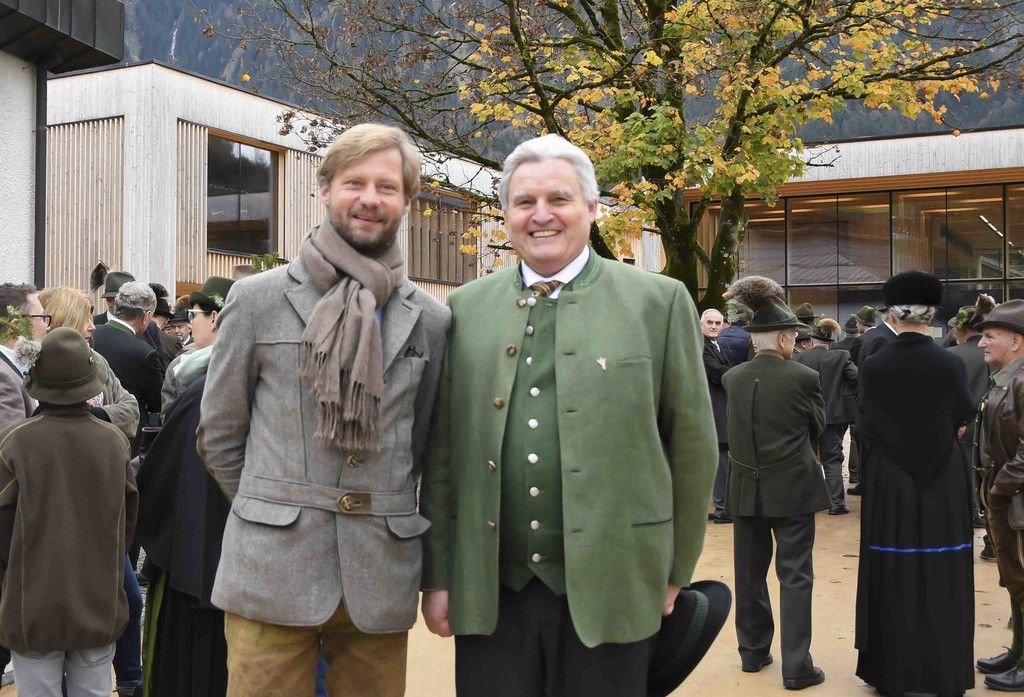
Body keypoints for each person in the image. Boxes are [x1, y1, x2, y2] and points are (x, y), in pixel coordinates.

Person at [419, 134, 718, 697]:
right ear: (505, 215)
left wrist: (675, 570)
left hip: (619, 577)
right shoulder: (464, 307)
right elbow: (442, 456)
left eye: (559, 198)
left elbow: (694, 447)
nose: (541, 215)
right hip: (492, 585)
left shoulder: (661, 301)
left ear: (592, 207)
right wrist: (438, 577)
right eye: (524, 202)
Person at [198, 123, 450, 697]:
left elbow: (433, 452)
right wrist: (271, 508)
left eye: (387, 187)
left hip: (379, 571)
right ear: (325, 190)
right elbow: (219, 433)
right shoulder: (259, 298)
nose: (369, 198)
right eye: (354, 182)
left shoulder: (430, 321)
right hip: (271, 565)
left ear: (407, 201)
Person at [854, 270, 975, 697]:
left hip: (891, 482)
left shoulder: (874, 364)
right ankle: (944, 672)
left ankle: (891, 674)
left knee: (892, 570)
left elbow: (865, 422)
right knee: (943, 572)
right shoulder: (950, 361)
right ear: (932, 314)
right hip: (942, 481)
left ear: (893, 311)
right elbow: (965, 411)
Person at [0, 328, 137, 697]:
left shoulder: (15, 444)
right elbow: (126, 529)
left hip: (32, 605)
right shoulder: (114, 443)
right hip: (97, 601)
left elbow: (3, 531)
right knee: (93, 692)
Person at [721, 276, 828, 691]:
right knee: (796, 576)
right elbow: (817, 427)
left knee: (748, 574)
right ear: (784, 338)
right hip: (794, 488)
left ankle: (752, 653)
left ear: (754, 340)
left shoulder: (733, 379)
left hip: (745, 488)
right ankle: (797, 666)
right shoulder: (803, 377)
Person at [137, 277, 235, 697]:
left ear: (218, 318)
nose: (189, 322)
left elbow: (156, 480)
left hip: (191, 562)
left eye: (194, 314)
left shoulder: (202, 390)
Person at [0, 283, 49, 680]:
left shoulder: (15, 370)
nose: (45, 326)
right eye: (40, 317)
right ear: (15, 322)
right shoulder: (3, 375)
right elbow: (13, 454)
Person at [974, 299, 1024, 689]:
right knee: (1013, 578)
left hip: (1016, 497)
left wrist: (998, 483)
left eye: (990, 336)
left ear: (1017, 342)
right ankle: (1019, 651)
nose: (981, 343)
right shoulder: (1006, 378)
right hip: (1008, 498)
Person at [38, 287, 140, 441]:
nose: (92, 326)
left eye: (91, 318)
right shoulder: (37, 364)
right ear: (62, 320)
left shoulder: (96, 359)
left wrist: (100, 415)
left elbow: (131, 407)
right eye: (83, 319)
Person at [794, 318, 858, 515]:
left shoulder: (799, 359)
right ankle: (837, 504)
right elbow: (856, 378)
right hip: (833, 417)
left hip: (806, 417)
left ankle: (808, 503)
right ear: (830, 342)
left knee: (808, 459)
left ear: (812, 340)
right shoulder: (841, 356)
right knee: (833, 459)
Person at [92, 281, 162, 455]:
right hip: (128, 434)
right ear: (146, 316)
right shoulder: (144, 353)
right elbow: (156, 402)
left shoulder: (91, 334)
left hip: (91, 426)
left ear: (116, 308)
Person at [948, 295, 995, 533]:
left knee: (965, 480)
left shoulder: (953, 355)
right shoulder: (998, 353)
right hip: (993, 425)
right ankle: (991, 535)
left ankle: (970, 518)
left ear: (961, 328)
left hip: (963, 427)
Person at [161, 277, 233, 415]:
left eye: (193, 315)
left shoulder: (180, 366)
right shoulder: (253, 360)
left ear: (213, 318)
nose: (191, 323)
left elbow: (171, 425)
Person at [95, 271, 168, 373]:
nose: (113, 303)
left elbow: (160, 366)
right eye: (109, 299)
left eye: (117, 298)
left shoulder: (150, 327)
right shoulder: (94, 325)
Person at [701, 309, 733, 524]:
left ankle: (721, 506)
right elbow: (719, 373)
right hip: (712, 411)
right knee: (720, 461)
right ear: (701, 324)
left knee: (721, 461)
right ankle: (722, 509)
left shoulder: (715, 346)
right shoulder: (701, 346)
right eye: (710, 322)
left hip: (718, 409)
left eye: (717, 323)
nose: (714, 326)